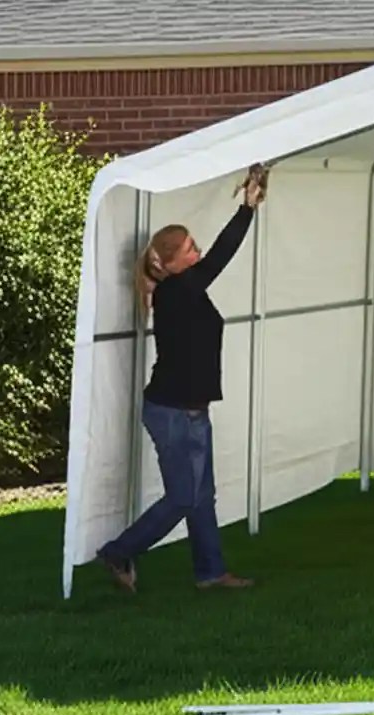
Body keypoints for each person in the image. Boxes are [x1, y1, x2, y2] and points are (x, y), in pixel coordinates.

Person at [95, 167, 266, 593]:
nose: (198, 252)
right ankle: (118, 551)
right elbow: (220, 256)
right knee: (183, 498)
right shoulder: (176, 291)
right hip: (172, 413)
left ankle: (210, 572)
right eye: (190, 249)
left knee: (200, 497)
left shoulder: (187, 291)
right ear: (171, 264)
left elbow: (210, 262)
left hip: (190, 412)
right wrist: (246, 209)